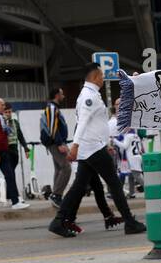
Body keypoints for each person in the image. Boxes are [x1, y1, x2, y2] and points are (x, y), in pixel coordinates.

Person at [47, 65, 146, 238]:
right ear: (94, 77)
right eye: (101, 75)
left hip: (92, 147)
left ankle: (59, 221)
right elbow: (83, 122)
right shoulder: (89, 96)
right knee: (114, 183)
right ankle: (129, 222)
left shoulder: (91, 94)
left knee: (78, 187)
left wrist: (103, 142)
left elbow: (95, 124)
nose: (103, 78)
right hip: (92, 148)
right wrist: (75, 146)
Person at [40, 87, 72, 206]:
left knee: (59, 169)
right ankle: (56, 195)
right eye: (62, 94)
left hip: (55, 142)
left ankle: (56, 195)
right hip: (55, 142)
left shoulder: (53, 108)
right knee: (66, 168)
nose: (63, 96)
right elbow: (53, 127)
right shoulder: (52, 108)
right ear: (57, 95)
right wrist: (59, 143)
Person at [2, 102, 34, 203]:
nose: (8, 113)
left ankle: (9, 195)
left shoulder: (15, 122)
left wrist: (26, 148)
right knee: (10, 174)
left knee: (10, 174)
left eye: (9, 111)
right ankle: (15, 195)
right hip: (5, 151)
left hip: (14, 150)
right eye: (6, 112)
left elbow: (20, 136)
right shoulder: (1, 122)